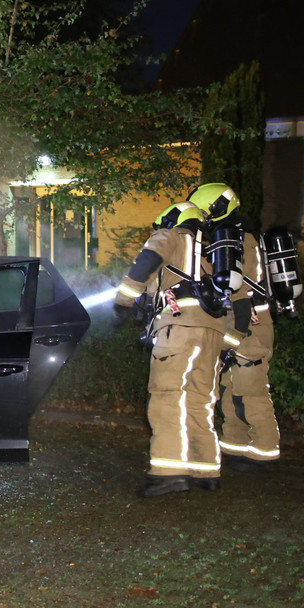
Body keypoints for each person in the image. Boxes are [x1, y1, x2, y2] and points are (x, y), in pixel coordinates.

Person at [114, 201, 242, 497]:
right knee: (200, 401)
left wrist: (122, 302)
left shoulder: (171, 237)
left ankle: (169, 473)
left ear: (173, 218)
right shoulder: (211, 257)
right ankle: (205, 471)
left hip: (179, 331)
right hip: (212, 335)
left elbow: (145, 264)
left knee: (168, 397)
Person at [188, 183, 280, 471]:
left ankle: (265, 452)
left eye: (203, 212)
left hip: (251, 324)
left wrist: (238, 323)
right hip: (235, 322)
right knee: (229, 389)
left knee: (251, 393)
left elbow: (245, 285)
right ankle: (235, 446)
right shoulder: (228, 237)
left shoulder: (242, 238)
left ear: (216, 209)